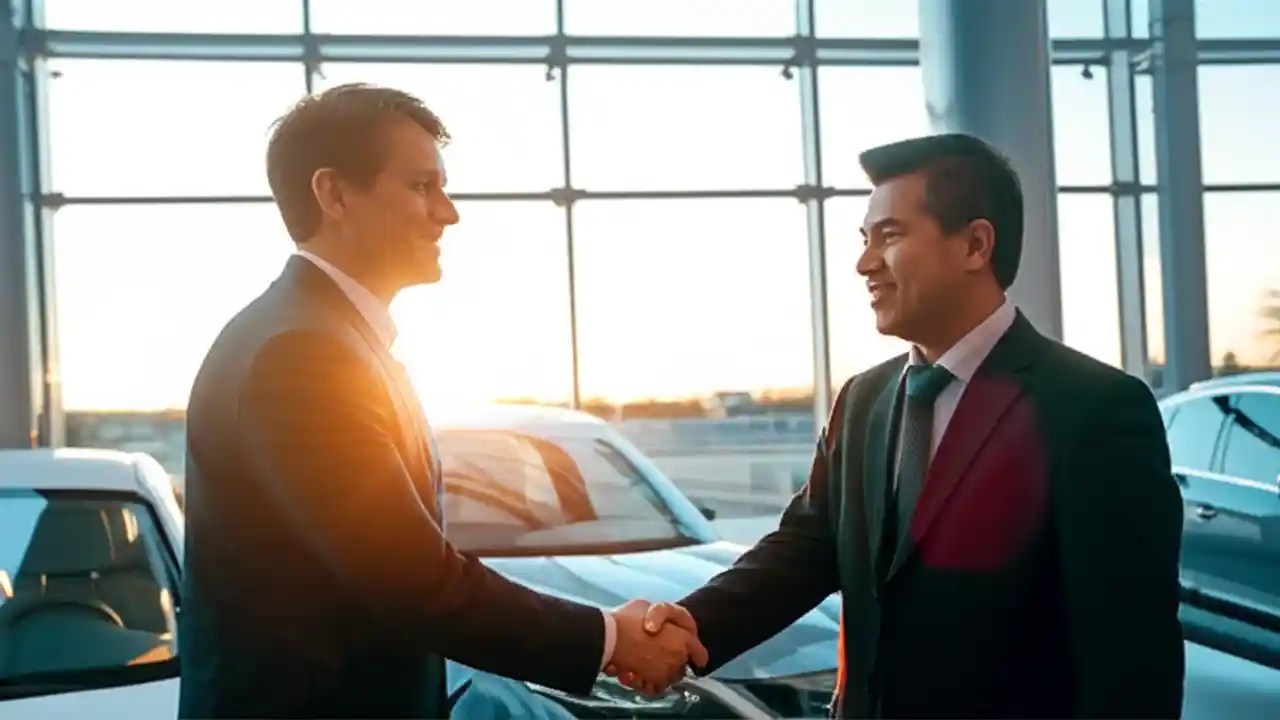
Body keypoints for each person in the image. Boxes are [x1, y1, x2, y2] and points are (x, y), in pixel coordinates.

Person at [177, 83, 705, 719]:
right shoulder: (301, 355)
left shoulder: (320, 339)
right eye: (422, 186)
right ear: (334, 194)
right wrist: (609, 639)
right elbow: (411, 580)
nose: (448, 213)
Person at [620, 133, 1185, 718]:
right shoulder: (863, 400)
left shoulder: (1094, 409)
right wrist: (693, 624)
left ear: (975, 245)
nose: (865, 263)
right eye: (865, 239)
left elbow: (1131, 655)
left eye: (889, 237)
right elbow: (809, 547)